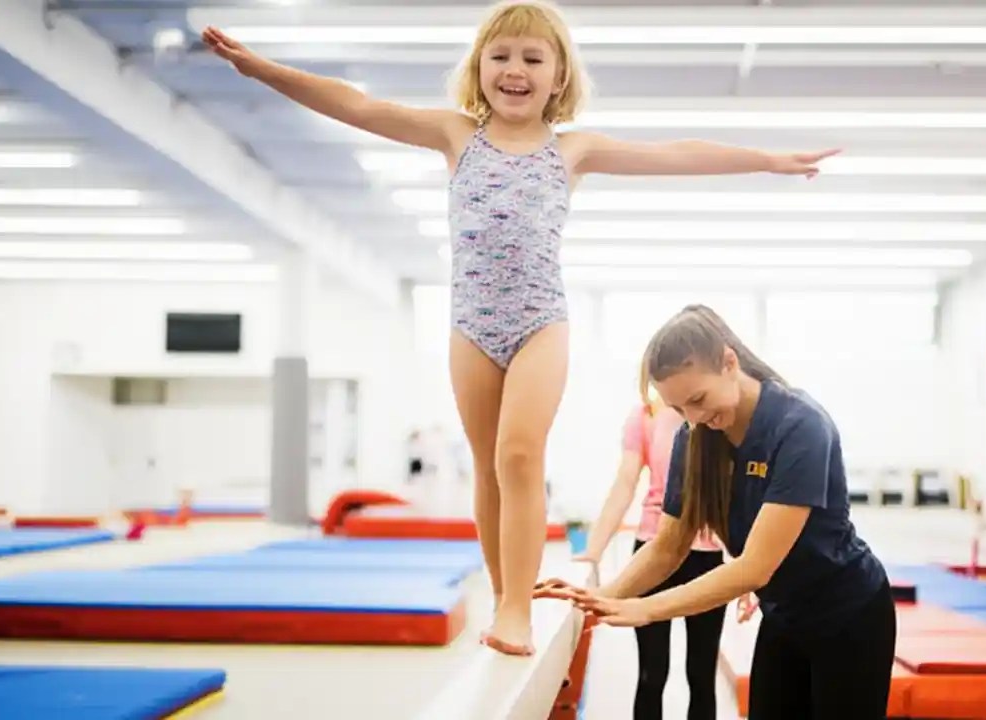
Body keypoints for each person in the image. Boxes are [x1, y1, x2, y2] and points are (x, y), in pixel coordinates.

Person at [201, 1, 838, 656]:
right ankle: (505, 589)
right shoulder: (455, 135)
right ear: (479, 68)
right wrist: (261, 70)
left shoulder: (572, 150)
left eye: (533, 58)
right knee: (486, 467)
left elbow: (672, 154)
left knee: (519, 454)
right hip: (471, 322)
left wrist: (764, 159)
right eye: (500, 56)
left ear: (559, 77)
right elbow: (356, 105)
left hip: (540, 321)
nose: (515, 70)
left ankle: (516, 609)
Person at [538, 305, 896, 719]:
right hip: (785, 615)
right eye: (679, 409)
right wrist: (599, 599)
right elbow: (667, 547)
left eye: (698, 399)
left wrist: (646, 608)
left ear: (730, 362)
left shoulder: (800, 426)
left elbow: (754, 568)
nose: (693, 418)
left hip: (847, 615)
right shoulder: (695, 438)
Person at [577, 355, 735, 719]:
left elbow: (730, 491)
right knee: (652, 673)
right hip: (653, 551)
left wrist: (741, 559)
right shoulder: (645, 415)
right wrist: (593, 551)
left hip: (706, 557)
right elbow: (625, 483)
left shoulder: (711, 414)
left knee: (700, 674)